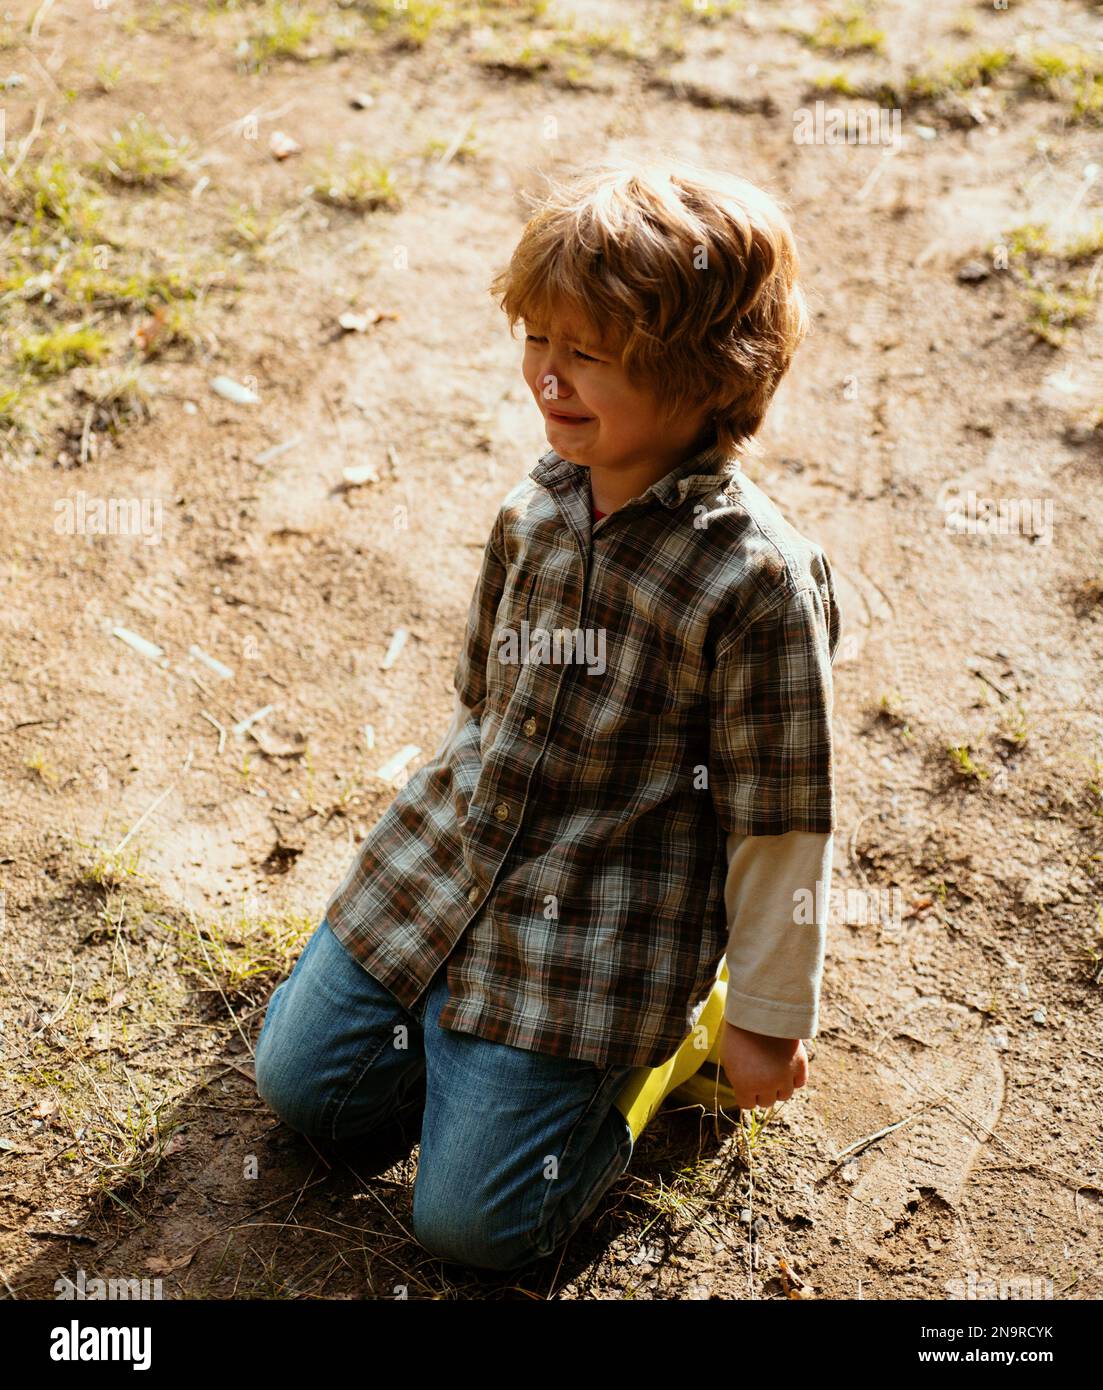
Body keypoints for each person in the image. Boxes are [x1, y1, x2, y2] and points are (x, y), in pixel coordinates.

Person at [255, 157, 840, 1273]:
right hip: (446, 871)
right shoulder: (535, 504)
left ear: (708, 373)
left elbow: (782, 823)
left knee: (474, 1231)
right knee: (302, 1095)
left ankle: (644, 1066)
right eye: (538, 339)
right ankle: (454, 1045)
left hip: (601, 935)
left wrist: (769, 1013)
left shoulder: (755, 583)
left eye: (591, 355)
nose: (548, 378)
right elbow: (482, 700)